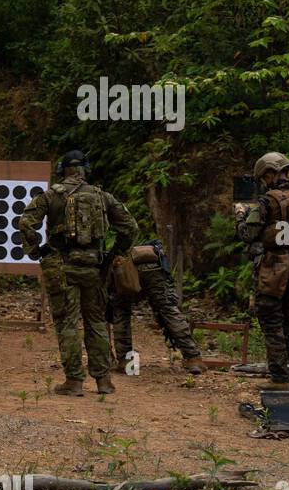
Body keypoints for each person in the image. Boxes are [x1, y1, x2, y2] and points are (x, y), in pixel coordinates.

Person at [18, 150, 137, 396]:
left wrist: (36, 250)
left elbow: (26, 222)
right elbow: (130, 227)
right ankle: (103, 381)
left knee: (67, 323)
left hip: (62, 266)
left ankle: (74, 380)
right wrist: (114, 253)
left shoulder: (51, 196)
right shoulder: (103, 196)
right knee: (96, 322)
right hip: (94, 267)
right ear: (86, 170)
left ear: (63, 170)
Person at [237, 152, 289, 390]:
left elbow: (247, 234)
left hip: (272, 272)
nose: (264, 182)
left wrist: (240, 217)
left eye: (264, 177)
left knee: (272, 323)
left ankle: (279, 379)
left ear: (270, 174)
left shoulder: (267, 202)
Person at [107, 240, 205, 375]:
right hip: (153, 264)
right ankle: (193, 358)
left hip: (124, 266)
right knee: (168, 309)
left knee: (121, 312)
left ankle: (127, 363)